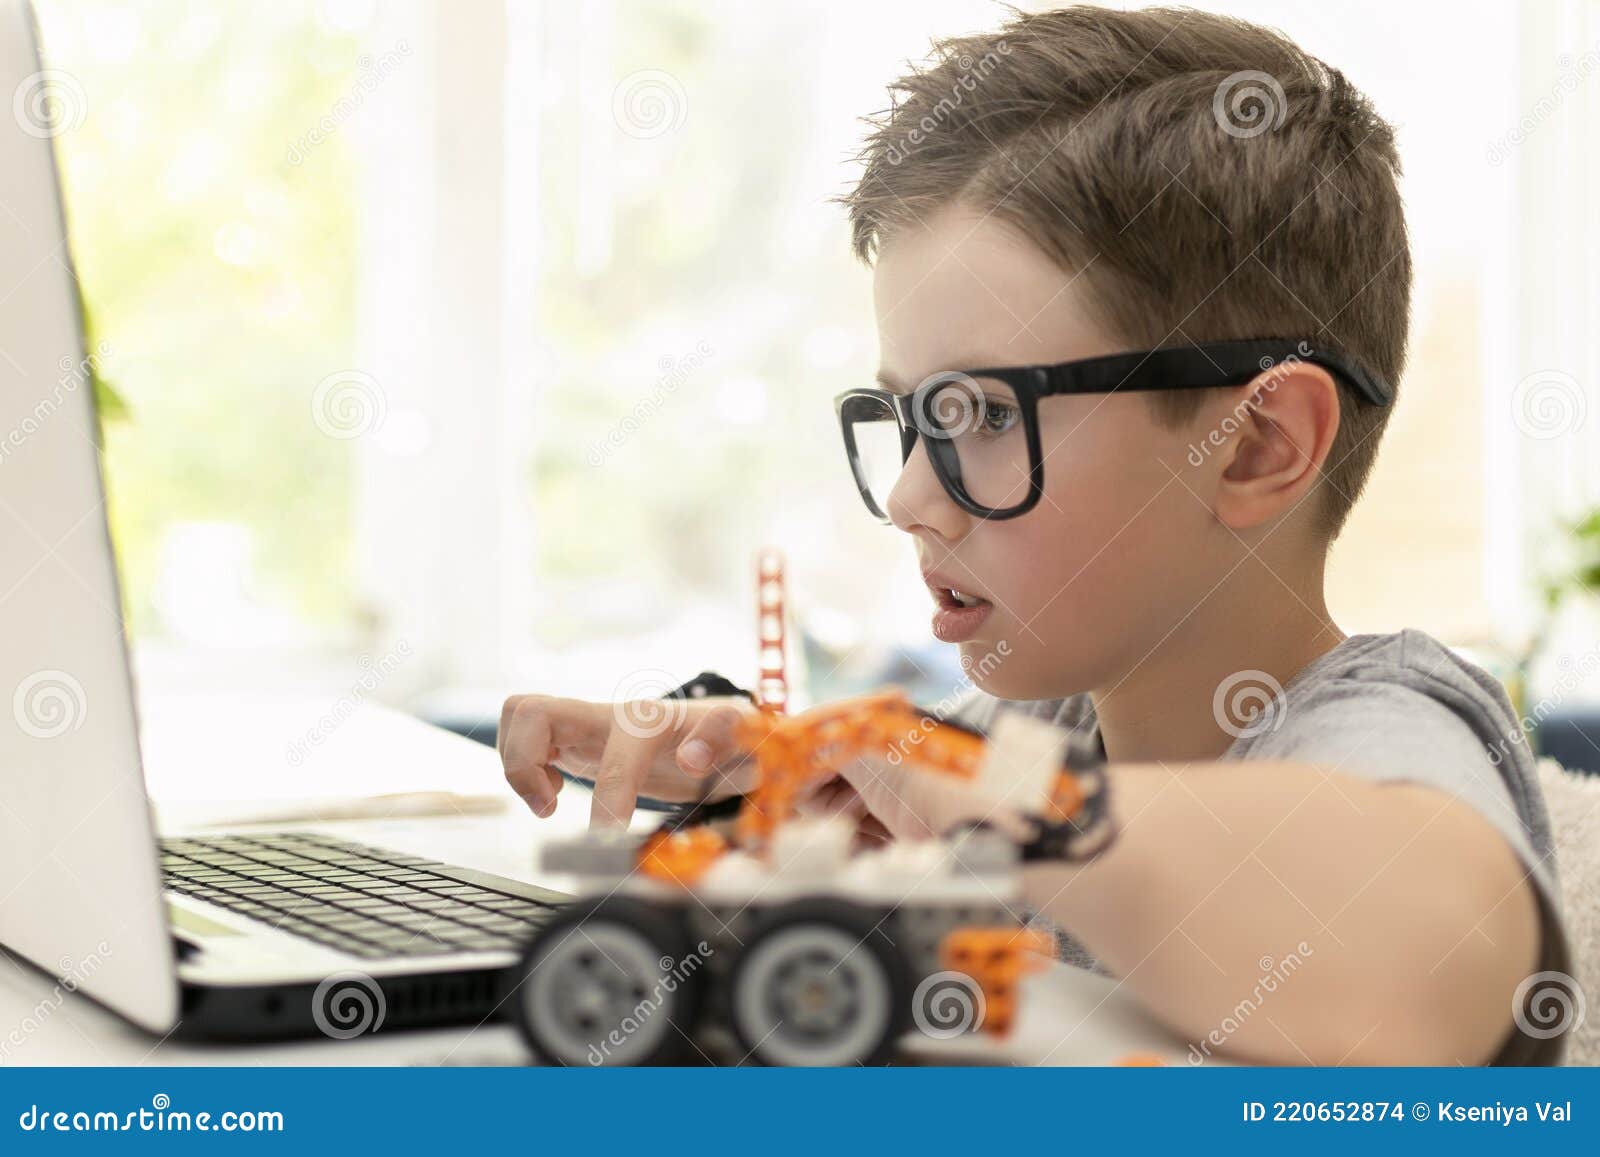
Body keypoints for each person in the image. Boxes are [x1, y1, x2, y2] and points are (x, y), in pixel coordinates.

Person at [498, 6, 1570, 1065]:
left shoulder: (1383, 722)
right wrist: (777, 765)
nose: (914, 493)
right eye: (910, 420)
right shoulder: (1040, 724)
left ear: (1254, 448)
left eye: (984, 414)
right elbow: (912, 778)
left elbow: (1415, 957)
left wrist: (961, 792)